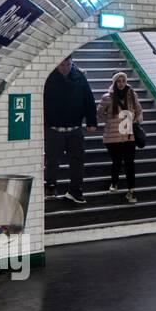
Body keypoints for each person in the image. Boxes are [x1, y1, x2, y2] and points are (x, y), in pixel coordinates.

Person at [43, 56, 98, 204]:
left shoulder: (79, 77)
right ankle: (50, 186)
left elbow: (88, 99)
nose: (65, 68)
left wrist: (91, 121)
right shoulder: (48, 77)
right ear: (57, 64)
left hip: (75, 128)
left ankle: (75, 190)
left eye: (68, 64)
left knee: (77, 161)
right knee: (52, 160)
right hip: (54, 128)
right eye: (62, 65)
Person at [98, 71, 142, 203]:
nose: (121, 83)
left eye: (123, 81)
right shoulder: (107, 98)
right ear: (114, 82)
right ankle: (114, 182)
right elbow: (99, 113)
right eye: (119, 81)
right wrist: (110, 121)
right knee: (116, 161)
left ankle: (132, 191)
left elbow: (139, 111)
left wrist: (136, 120)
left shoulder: (132, 95)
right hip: (112, 136)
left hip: (128, 134)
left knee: (129, 163)